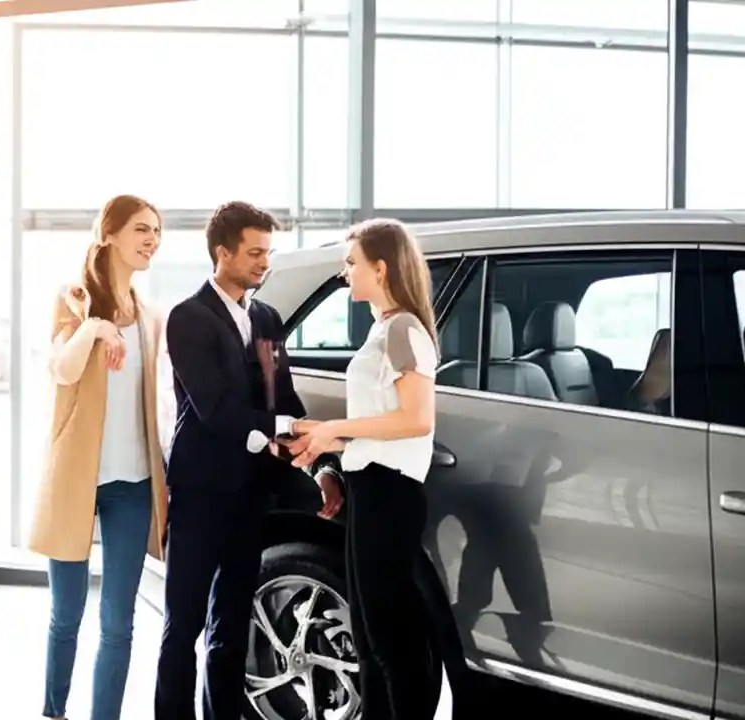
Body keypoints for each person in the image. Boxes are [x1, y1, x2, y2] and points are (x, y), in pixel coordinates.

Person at [154, 200, 307, 720]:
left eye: (268, 252)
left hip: (251, 491)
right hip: (201, 491)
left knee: (232, 623)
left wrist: (309, 440)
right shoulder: (188, 317)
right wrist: (283, 430)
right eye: (255, 252)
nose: (265, 263)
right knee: (184, 625)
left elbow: (282, 395)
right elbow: (215, 409)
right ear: (223, 253)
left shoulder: (266, 316)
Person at [286, 217, 442, 720]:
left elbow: (416, 420)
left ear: (381, 267)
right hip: (371, 487)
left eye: (351, 263)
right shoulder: (385, 329)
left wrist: (334, 429)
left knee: (391, 636)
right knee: (372, 635)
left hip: (389, 492)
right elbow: (384, 418)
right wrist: (327, 437)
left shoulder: (402, 330)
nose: (344, 272)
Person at [26, 194, 169, 720]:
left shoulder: (152, 319)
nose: (152, 239)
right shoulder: (75, 301)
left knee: (118, 622)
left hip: (132, 485)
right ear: (108, 234)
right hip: (75, 480)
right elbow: (62, 370)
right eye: (141, 229)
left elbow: (157, 404)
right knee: (66, 616)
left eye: (157, 230)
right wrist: (95, 328)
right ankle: (53, 712)